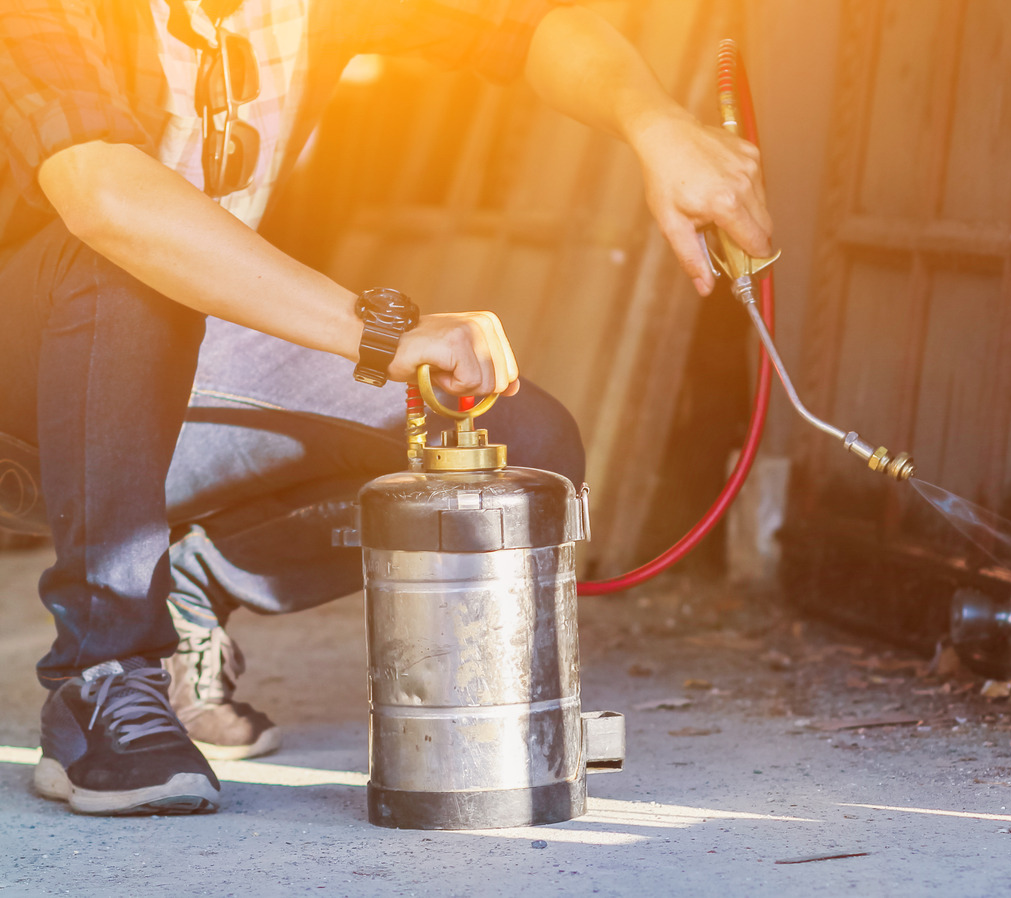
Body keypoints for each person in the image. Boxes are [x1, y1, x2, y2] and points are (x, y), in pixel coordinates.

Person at [0, 0, 772, 816]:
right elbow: (105, 196)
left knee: (519, 445)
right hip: (30, 390)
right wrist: (377, 333)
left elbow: (532, 27)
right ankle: (102, 675)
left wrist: (657, 124)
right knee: (125, 255)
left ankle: (192, 583)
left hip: (174, 363)